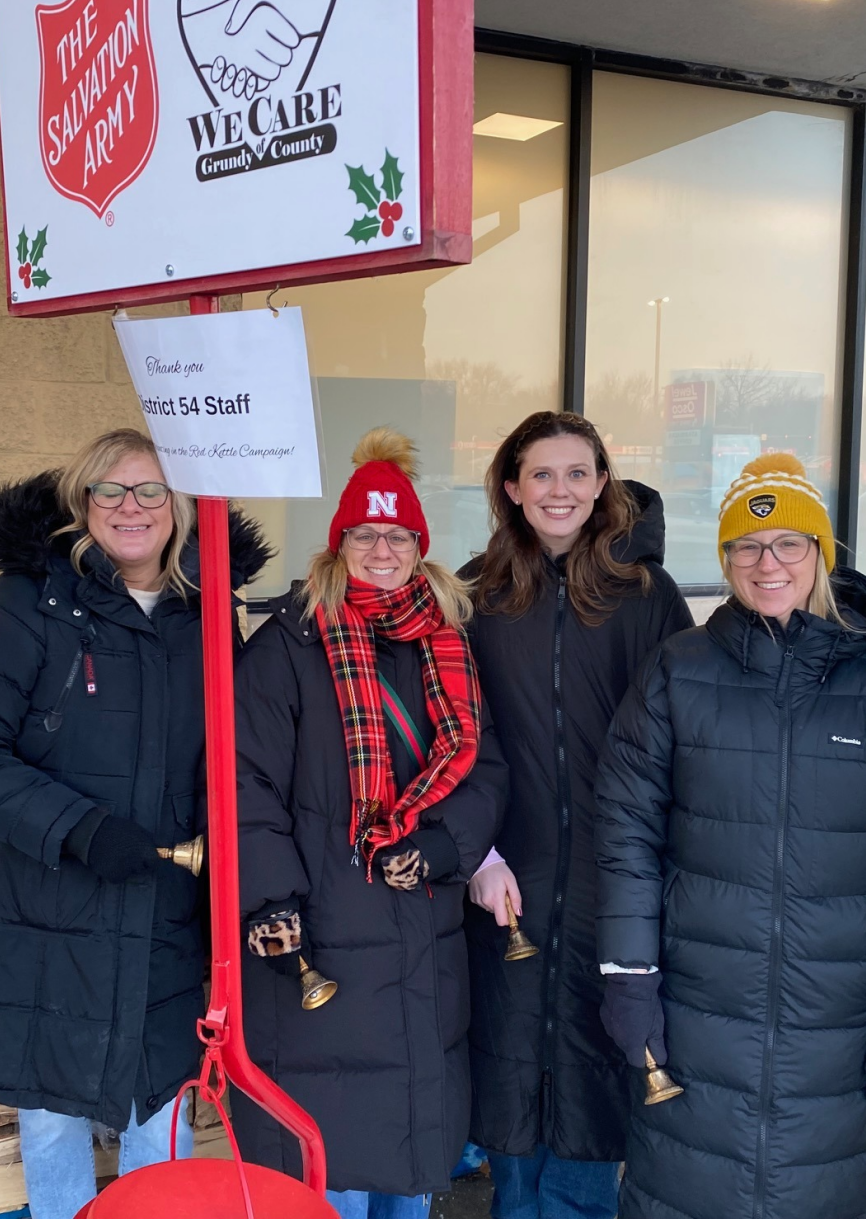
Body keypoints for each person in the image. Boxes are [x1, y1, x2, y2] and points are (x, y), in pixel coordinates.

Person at [0, 429, 272, 1219]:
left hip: (164, 906)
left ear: (178, 508)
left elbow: (237, 751)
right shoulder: (25, 601)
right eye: (109, 490)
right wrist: (79, 827)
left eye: (150, 490)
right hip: (42, 904)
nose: (130, 506)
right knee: (49, 1108)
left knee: (162, 1105)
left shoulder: (209, 612)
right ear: (82, 503)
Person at [594, 452, 866, 1219]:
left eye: (790, 543)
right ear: (726, 560)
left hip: (834, 1020)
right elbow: (627, 828)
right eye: (746, 547)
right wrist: (628, 973)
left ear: (821, 554)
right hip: (695, 1009)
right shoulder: (677, 672)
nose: (769, 564)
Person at [231, 427, 507, 1219]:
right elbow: (247, 784)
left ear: (420, 545)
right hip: (326, 937)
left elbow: (484, 767)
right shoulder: (288, 646)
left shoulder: (446, 641)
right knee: (334, 1173)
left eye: (397, 535)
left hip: (423, 933)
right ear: (338, 541)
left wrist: (440, 845)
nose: (381, 549)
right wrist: (271, 900)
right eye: (365, 533)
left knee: (409, 1167)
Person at [459, 411, 693, 1219]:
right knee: (513, 1076)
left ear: (602, 486)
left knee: (595, 1085)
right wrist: (476, 849)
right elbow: (447, 728)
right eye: (542, 474)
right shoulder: (477, 593)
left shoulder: (647, 596)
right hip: (506, 879)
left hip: (613, 878)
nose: (560, 490)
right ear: (513, 487)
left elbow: (682, 738)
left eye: (577, 473)